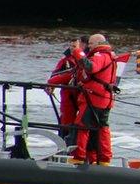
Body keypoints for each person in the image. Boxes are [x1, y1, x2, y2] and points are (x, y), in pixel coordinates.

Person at [71, 33, 119, 165]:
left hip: (93, 99)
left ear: (98, 43)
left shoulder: (100, 55)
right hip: (104, 99)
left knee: (83, 126)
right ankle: (103, 159)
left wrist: (77, 51)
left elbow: (91, 68)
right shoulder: (109, 55)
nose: (89, 46)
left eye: (91, 44)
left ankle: (79, 157)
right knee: (102, 128)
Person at [46, 36, 88, 145]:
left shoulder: (87, 60)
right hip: (68, 96)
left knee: (83, 122)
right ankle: (65, 145)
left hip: (82, 96)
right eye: (71, 46)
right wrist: (51, 86)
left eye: (75, 46)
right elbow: (55, 75)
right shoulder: (65, 62)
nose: (72, 49)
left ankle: (79, 147)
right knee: (66, 121)